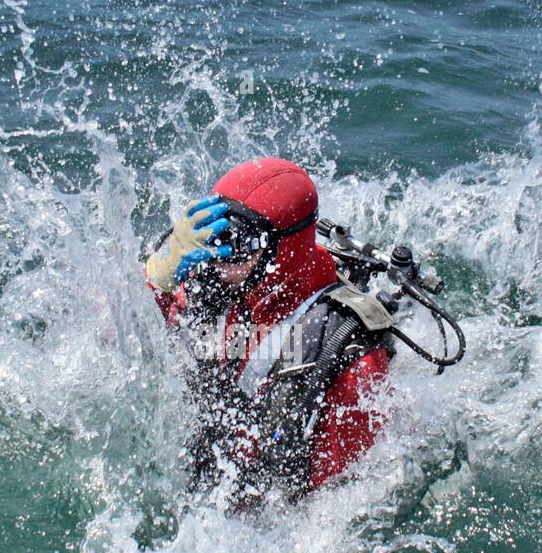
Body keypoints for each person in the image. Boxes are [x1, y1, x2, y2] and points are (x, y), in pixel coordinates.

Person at [143, 158, 390, 507]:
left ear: (282, 250)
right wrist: (159, 272)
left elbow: (336, 509)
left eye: (236, 241)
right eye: (212, 232)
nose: (216, 254)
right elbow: (118, 329)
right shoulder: (218, 278)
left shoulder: (350, 361)